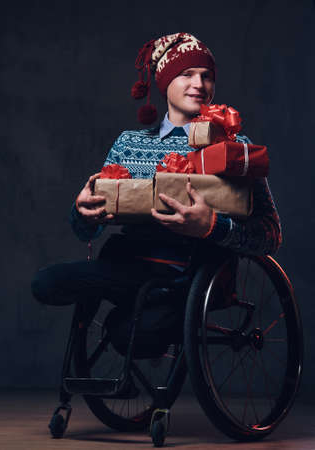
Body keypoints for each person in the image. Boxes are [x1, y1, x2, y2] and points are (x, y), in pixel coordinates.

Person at [31, 32, 282, 314]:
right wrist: (84, 213)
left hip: (191, 276)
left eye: (207, 76)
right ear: (165, 82)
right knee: (46, 283)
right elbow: (84, 231)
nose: (199, 84)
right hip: (128, 267)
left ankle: (140, 319)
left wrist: (212, 226)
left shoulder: (237, 148)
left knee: (135, 334)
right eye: (187, 74)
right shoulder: (129, 143)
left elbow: (270, 234)